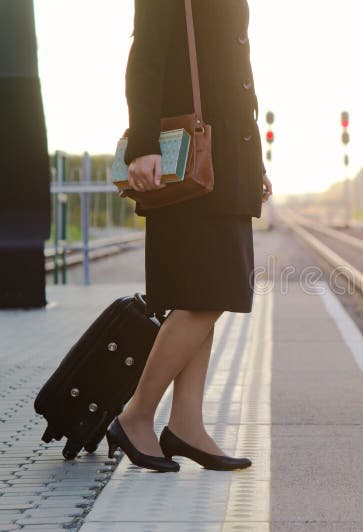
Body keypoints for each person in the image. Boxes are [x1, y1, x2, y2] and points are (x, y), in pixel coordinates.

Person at [105, 0, 272, 473]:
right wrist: (142, 146)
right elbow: (146, 56)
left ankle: (186, 425)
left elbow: (236, 73)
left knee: (207, 295)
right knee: (204, 296)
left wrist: (253, 160)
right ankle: (137, 415)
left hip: (226, 162)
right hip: (187, 162)